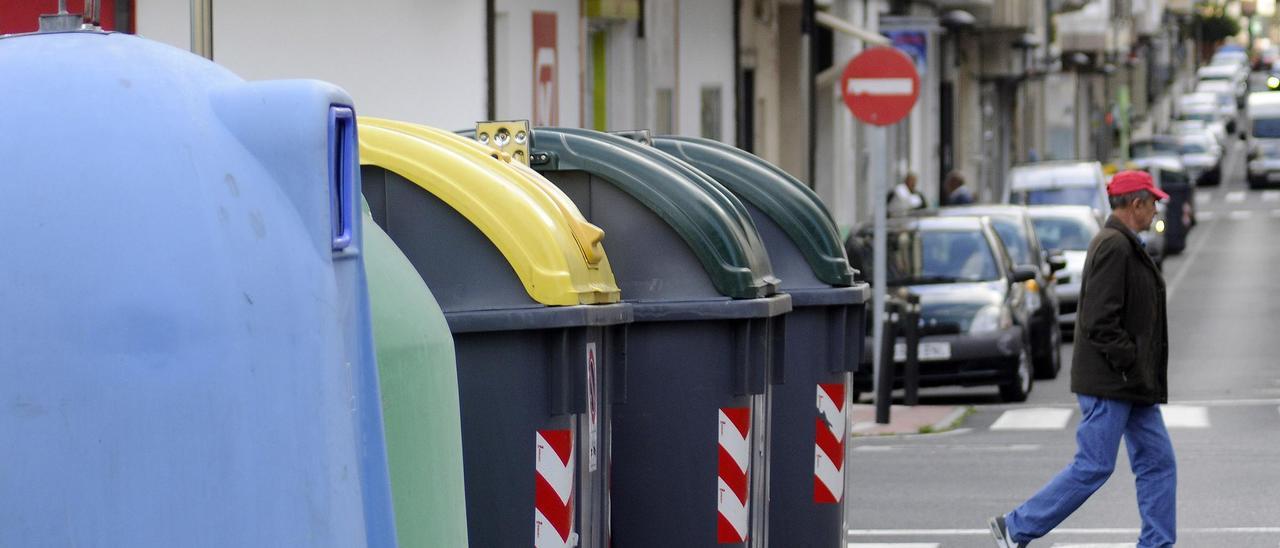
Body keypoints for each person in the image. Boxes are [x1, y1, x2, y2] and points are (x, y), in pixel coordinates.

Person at [989, 170, 1175, 548]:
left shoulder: (1125, 243)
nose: (1156, 209)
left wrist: (1137, 369)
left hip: (1131, 382)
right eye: (1152, 202)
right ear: (1135, 204)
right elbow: (1098, 321)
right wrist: (1129, 362)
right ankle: (1016, 527)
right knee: (1094, 466)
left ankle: (1157, 544)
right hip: (1112, 382)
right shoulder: (1114, 245)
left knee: (1158, 463)